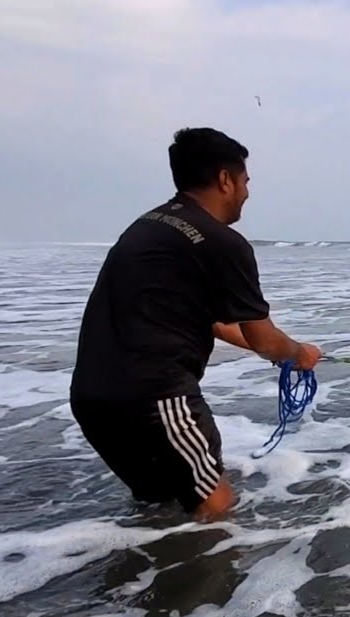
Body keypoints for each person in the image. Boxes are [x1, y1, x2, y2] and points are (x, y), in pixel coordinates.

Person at [69, 127, 321, 520]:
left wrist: (282, 354)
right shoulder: (222, 242)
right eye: (246, 181)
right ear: (225, 179)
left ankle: (141, 560)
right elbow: (264, 340)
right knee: (216, 508)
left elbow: (215, 323)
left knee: (162, 504)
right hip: (154, 396)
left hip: (92, 398)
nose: (247, 193)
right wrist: (298, 353)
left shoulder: (148, 227)